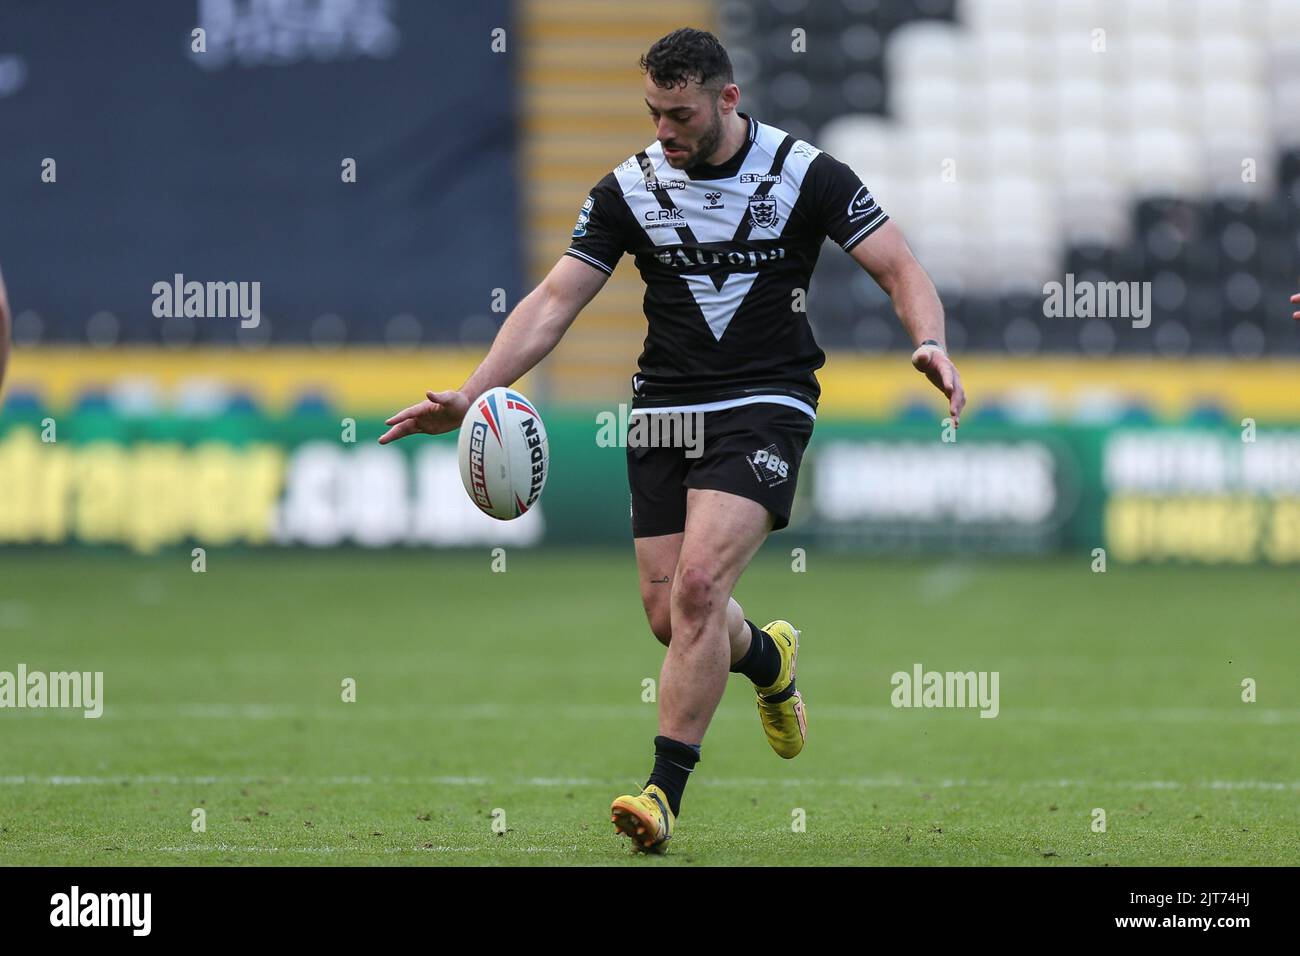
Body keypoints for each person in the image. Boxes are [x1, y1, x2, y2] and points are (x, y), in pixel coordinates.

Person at [379, 27, 964, 853]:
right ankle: (769, 660)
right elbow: (554, 300)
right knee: (670, 615)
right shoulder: (630, 188)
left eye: (679, 114)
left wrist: (930, 340)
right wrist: (476, 392)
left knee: (697, 590)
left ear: (728, 98)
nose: (663, 130)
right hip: (662, 409)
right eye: (653, 112)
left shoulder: (804, 173)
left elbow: (899, 266)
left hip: (767, 402)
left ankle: (662, 793)